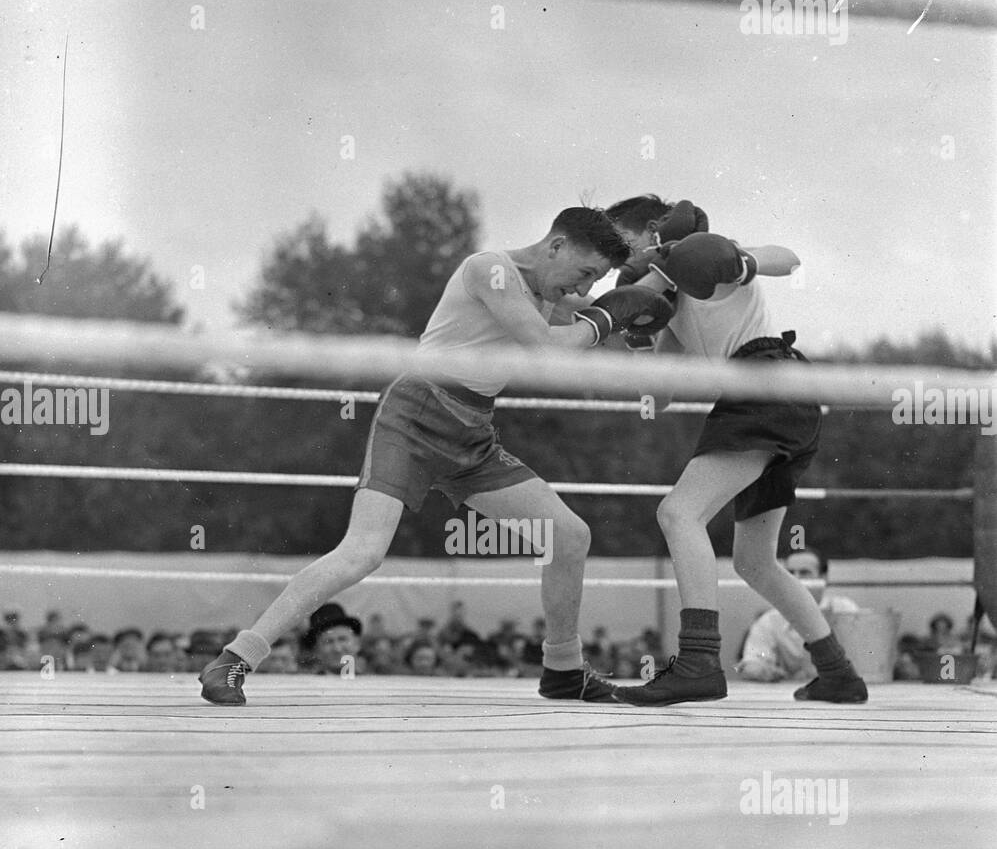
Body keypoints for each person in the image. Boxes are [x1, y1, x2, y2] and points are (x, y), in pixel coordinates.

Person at [199, 206, 672, 705]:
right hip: (416, 416)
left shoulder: (545, 296)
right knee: (363, 552)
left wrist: (639, 319)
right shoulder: (488, 269)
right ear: (556, 246)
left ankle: (563, 669)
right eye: (584, 274)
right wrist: (605, 315)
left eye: (593, 282)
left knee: (569, 536)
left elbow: (555, 361)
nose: (581, 290)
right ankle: (235, 658)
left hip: (473, 433)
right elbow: (549, 347)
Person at [603, 196, 867, 706]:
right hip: (773, 397)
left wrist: (743, 260)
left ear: (650, 234)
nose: (619, 258)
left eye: (623, 243)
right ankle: (838, 673)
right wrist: (639, 339)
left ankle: (700, 661)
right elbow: (661, 397)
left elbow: (787, 258)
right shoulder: (671, 305)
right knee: (755, 561)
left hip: (766, 382)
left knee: (679, 513)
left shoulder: (705, 258)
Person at [737, 549, 859, 682]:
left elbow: (864, 663)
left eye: (804, 573)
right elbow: (752, 665)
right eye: (789, 573)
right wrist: (765, 671)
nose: (795, 579)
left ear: (823, 577)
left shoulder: (846, 610)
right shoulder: (770, 620)